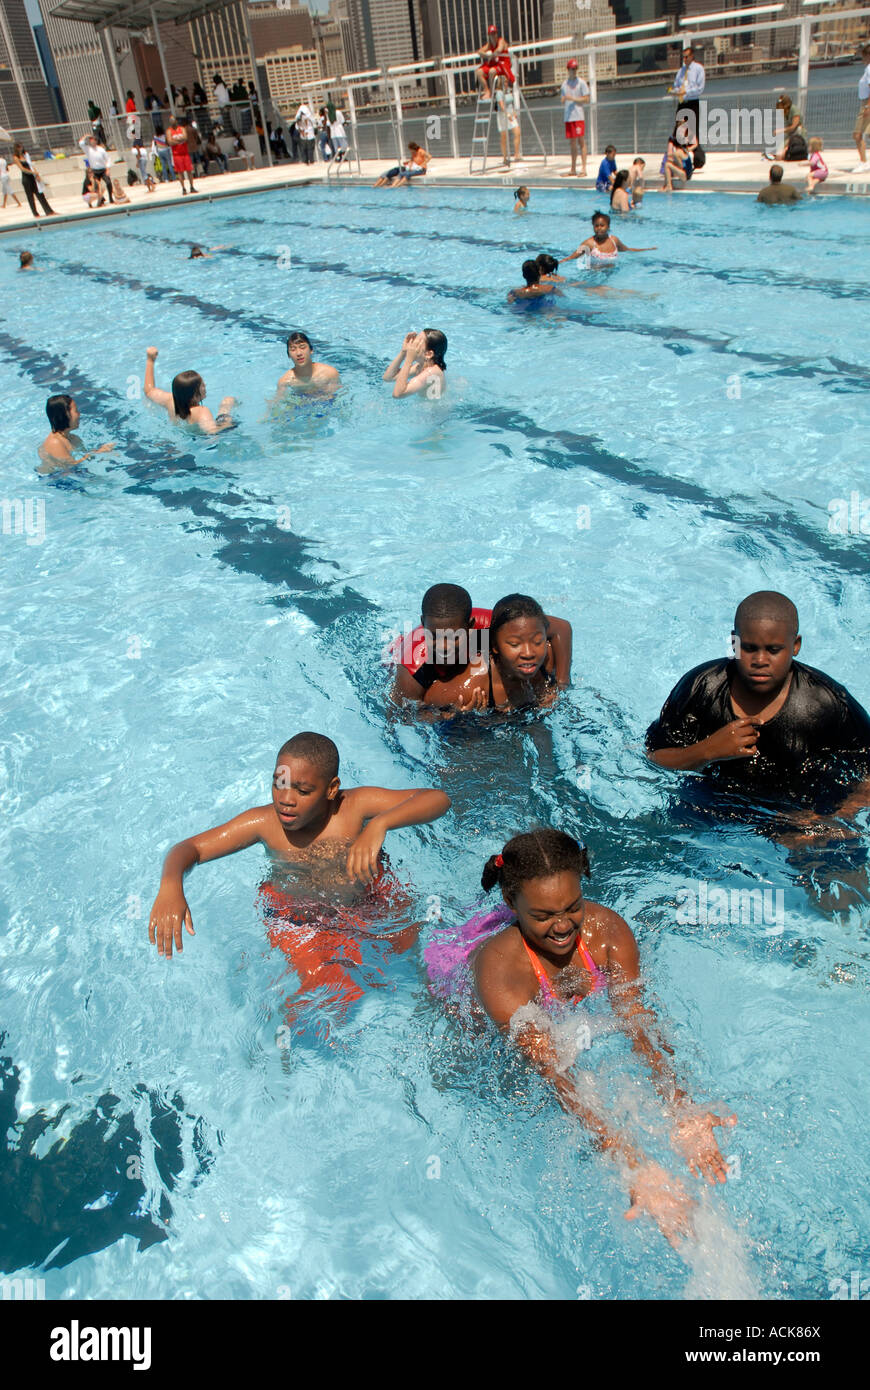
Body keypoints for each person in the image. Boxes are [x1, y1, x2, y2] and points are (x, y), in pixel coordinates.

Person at [425, 828, 736, 1250]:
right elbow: (554, 1073)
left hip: (547, 989)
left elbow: (637, 1021)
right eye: (543, 916)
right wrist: (630, 1162)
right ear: (511, 905)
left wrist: (679, 1103)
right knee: (486, 1074)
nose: (562, 926)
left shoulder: (607, 932)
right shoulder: (500, 968)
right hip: (466, 993)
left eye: (573, 907)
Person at [147, 731, 451, 978]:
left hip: (368, 899)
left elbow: (437, 799)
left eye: (303, 791)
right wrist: (171, 885)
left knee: (415, 963)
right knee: (328, 986)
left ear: (331, 789)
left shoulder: (354, 807)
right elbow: (189, 848)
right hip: (299, 913)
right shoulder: (263, 824)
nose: (286, 800)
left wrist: (380, 824)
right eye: (278, 785)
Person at [646, 591, 870, 815]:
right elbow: (654, 756)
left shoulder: (828, 703)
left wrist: (835, 819)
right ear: (734, 643)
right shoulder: (701, 687)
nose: (760, 661)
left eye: (773, 650)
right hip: (710, 797)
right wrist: (707, 751)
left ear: (795, 645)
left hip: (794, 812)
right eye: (750, 648)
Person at [389, 584, 572, 709]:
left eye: (454, 637)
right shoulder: (413, 667)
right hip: (402, 655)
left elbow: (561, 629)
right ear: (423, 624)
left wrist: (561, 685)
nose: (444, 647)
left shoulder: (488, 627)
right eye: (435, 637)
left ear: (470, 626)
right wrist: (451, 716)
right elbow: (402, 718)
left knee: (547, 648)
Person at [455, 594, 571, 711]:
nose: (528, 653)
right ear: (495, 646)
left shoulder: (546, 656)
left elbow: (562, 627)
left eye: (537, 642)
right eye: (515, 644)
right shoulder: (475, 682)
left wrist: (562, 684)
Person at [143, 346, 235, 433]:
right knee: (227, 402)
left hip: (182, 437)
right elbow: (212, 433)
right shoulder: (202, 412)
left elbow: (149, 390)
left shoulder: (170, 401)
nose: (205, 385)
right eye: (202, 385)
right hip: (200, 439)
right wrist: (227, 421)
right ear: (194, 396)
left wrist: (150, 361)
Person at [37, 394, 115, 473]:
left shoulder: (73, 437)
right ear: (65, 415)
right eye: (76, 411)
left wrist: (102, 453)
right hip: (53, 480)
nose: (79, 414)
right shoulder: (55, 443)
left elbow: (84, 457)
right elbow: (70, 468)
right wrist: (99, 453)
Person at [560, 210, 656, 267]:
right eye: (596, 226)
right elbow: (571, 257)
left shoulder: (614, 241)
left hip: (612, 275)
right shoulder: (588, 244)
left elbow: (628, 250)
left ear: (608, 227)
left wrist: (647, 249)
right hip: (594, 276)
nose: (599, 228)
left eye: (602, 225)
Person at [273, 331, 342, 399]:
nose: (299, 353)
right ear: (289, 355)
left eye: (302, 347)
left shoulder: (330, 373)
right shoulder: (285, 382)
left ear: (311, 350)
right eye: (293, 349)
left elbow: (338, 397)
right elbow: (277, 404)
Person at [383, 329, 446, 398]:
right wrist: (403, 352)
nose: (412, 344)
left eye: (417, 343)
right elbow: (388, 377)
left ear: (428, 354)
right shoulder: (420, 366)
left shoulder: (431, 373)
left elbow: (397, 394)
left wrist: (408, 360)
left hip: (433, 408)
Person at [668, 45, 705, 149]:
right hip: (682, 103)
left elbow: (700, 88)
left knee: (692, 132)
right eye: (683, 57)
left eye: (686, 57)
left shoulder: (698, 69)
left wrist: (685, 92)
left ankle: (696, 158)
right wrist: (674, 91)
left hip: (692, 103)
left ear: (692, 56)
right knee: (679, 132)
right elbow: (676, 86)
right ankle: (680, 155)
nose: (684, 59)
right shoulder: (681, 71)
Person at [560, 56, 589, 177]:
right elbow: (563, 99)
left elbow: (586, 99)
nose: (573, 71)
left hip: (578, 116)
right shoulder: (564, 84)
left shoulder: (581, 82)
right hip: (568, 117)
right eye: (572, 69)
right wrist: (564, 99)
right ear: (568, 70)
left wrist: (573, 98)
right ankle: (573, 168)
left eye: (575, 69)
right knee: (572, 143)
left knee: (581, 141)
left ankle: (583, 168)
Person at [13, 144, 54, 217]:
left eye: (21, 147)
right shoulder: (16, 158)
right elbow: (22, 169)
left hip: (32, 177)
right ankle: (35, 213)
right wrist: (33, 172)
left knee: (40, 194)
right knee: (30, 196)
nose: (21, 148)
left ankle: (48, 211)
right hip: (26, 178)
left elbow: (31, 165)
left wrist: (36, 174)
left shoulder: (25, 155)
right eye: (19, 147)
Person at [477, 22, 514, 99]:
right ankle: (487, 91)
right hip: (496, 64)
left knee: (492, 71)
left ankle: (492, 92)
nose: (493, 36)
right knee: (479, 72)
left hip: (503, 65)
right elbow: (479, 51)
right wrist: (487, 55)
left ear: (497, 34)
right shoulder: (489, 44)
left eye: (494, 33)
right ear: (489, 36)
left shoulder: (501, 41)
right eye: (491, 34)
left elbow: (499, 49)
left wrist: (492, 55)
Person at [765, 94, 806, 162]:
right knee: (779, 152)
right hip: (789, 135)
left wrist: (780, 131)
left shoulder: (794, 111)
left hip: (797, 135)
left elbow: (793, 127)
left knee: (781, 154)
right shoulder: (785, 112)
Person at [851, 43, 870, 172]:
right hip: (865, 102)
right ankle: (864, 161)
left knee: (857, 134)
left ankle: (863, 162)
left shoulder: (869, 68)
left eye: (863, 56)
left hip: (866, 103)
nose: (862, 59)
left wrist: (868, 106)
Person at [79, 134, 114, 202]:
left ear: (96, 141)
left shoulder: (101, 150)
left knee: (108, 182)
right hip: (94, 170)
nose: (92, 142)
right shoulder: (88, 149)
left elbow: (108, 159)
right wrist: (86, 136)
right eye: (91, 141)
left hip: (103, 169)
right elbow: (81, 143)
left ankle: (111, 198)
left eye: (93, 141)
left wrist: (108, 169)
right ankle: (101, 199)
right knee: (96, 185)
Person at [167, 116, 197, 195]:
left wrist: (175, 141)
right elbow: (170, 142)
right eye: (171, 121)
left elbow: (185, 138)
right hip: (176, 155)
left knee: (189, 171)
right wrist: (180, 140)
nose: (172, 122)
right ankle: (183, 188)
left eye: (173, 121)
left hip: (185, 153)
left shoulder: (182, 129)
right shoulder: (169, 131)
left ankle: (191, 186)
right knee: (180, 172)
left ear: (176, 121)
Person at [496, 88, 521, 164]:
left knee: (517, 132)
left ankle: (516, 154)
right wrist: (507, 114)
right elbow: (501, 105)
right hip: (503, 115)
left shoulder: (509, 90)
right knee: (504, 136)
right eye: (505, 81)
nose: (506, 83)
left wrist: (514, 112)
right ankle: (504, 157)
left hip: (511, 112)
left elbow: (511, 103)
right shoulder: (499, 93)